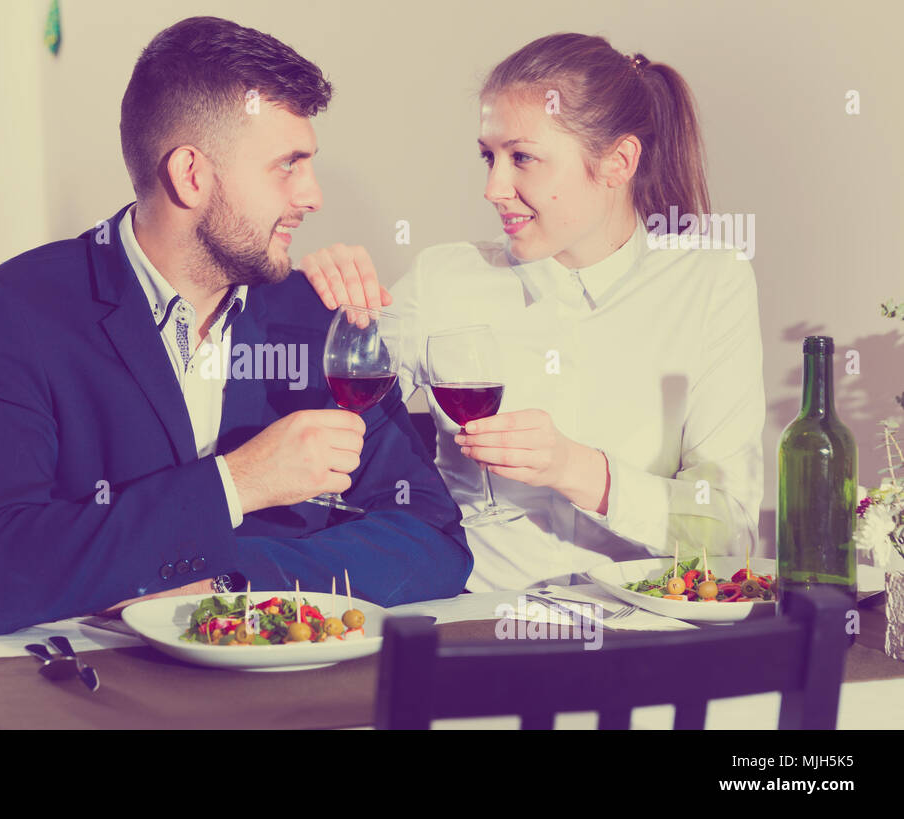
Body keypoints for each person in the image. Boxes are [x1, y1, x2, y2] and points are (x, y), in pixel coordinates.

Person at [0, 16, 472, 634]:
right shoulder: (15, 310)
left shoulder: (316, 314)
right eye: (287, 166)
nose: (312, 196)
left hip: (300, 689)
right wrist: (238, 482)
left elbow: (433, 538)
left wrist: (229, 580)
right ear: (191, 175)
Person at [296, 33, 763, 592]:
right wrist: (317, 300)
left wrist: (574, 468)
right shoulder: (446, 277)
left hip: (643, 625)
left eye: (523, 158)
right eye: (488, 157)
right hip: (473, 618)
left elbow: (730, 531)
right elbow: (322, 412)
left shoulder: (711, 284)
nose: (494, 187)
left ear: (618, 161)